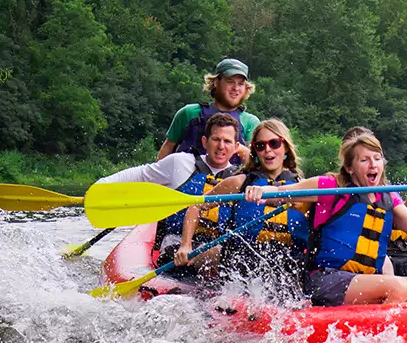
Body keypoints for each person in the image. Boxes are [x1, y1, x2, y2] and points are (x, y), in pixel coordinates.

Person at [257, 129, 407, 306]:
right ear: (349, 168)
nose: (373, 164)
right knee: (397, 286)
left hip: (366, 280)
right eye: (364, 160)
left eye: (377, 159)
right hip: (325, 279)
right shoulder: (331, 187)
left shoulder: (388, 197)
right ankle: (380, 334)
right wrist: (260, 191)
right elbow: (281, 192)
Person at [176, 118, 309, 298]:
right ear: (255, 152)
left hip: (287, 260)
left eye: (274, 143)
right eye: (260, 146)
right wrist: (186, 245)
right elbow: (197, 206)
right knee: (211, 252)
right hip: (243, 258)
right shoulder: (239, 182)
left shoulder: (303, 189)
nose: (268, 150)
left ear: (285, 148)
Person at [99, 110, 244, 275]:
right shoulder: (181, 162)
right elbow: (140, 175)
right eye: (216, 139)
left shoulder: (239, 178)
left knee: (231, 257)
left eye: (227, 141)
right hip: (176, 246)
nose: (221, 146)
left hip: (216, 248)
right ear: (205, 142)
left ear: (236, 147)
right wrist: (102, 186)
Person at [158, 57, 261, 160]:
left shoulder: (251, 123)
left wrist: (238, 149)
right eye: (230, 82)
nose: (236, 88)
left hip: (230, 175)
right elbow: (168, 147)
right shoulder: (189, 113)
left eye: (241, 84)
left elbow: (257, 162)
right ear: (216, 82)